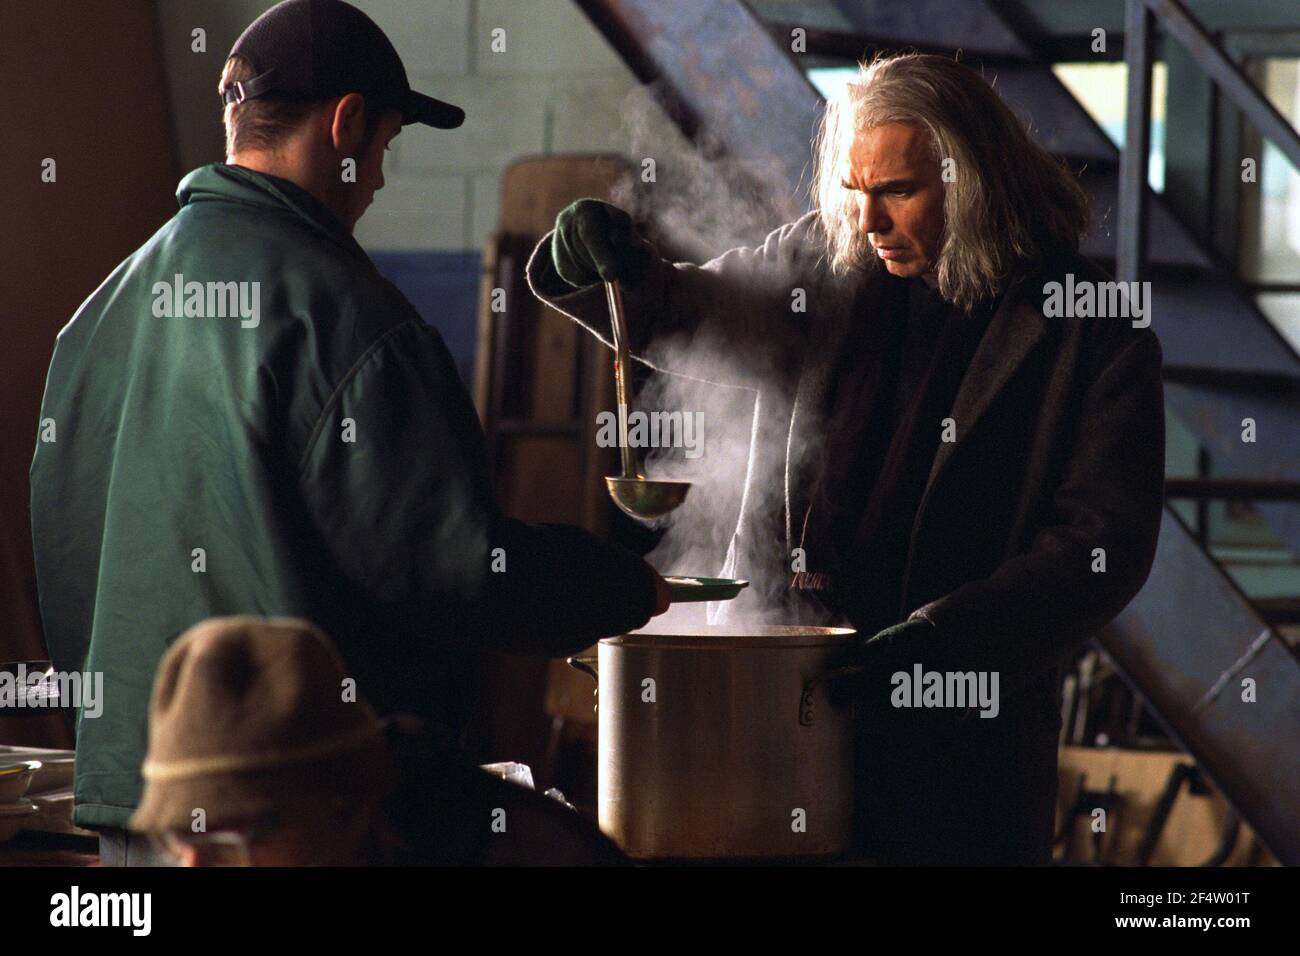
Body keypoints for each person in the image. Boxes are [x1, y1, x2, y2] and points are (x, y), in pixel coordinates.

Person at [30, 0, 668, 864]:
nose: (376, 182)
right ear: (348, 125)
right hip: (301, 817)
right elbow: (457, 570)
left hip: (135, 809)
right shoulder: (350, 319)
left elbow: (67, 565)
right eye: (386, 150)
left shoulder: (95, 318)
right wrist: (620, 588)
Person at [527, 53, 1165, 864]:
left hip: (960, 734)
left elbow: (1098, 550)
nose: (868, 220)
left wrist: (944, 640)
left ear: (976, 181)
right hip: (784, 702)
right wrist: (609, 268)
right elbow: (687, 311)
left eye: (899, 191)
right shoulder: (826, 264)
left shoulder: (1091, 330)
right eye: (854, 191)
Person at [130, 616, 626, 866]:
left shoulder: (531, 852)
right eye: (176, 843)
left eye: (224, 846)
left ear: (341, 811)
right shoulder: (343, 843)